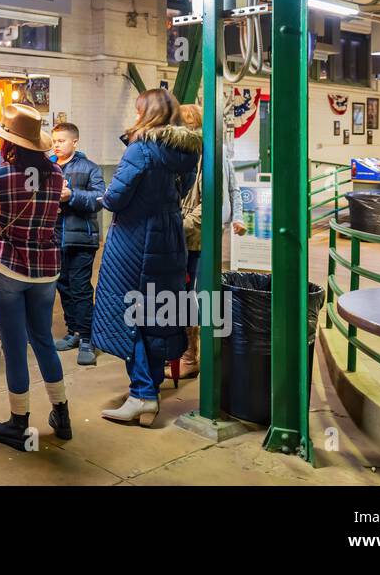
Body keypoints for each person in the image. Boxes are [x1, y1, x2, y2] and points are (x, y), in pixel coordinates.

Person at [93, 88, 201, 427]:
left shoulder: (141, 149)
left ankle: (142, 395)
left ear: (146, 113)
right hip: (169, 238)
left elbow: (115, 199)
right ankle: (149, 389)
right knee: (154, 314)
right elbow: (179, 194)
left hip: (134, 241)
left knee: (132, 316)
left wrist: (102, 195)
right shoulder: (185, 152)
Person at [0, 104, 70, 450]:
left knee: (14, 346)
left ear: (9, 142)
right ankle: (62, 413)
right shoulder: (56, 176)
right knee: (43, 338)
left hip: (6, 267)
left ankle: (19, 422)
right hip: (45, 269)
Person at [172, 103, 246, 380]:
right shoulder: (200, 152)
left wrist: (175, 223)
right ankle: (190, 353)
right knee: (190, 296)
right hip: (195, 233)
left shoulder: (206, 154)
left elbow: (225, 192)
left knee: (197, 297)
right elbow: (231, 190)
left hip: (198, 236)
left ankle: (193, 356)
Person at [48, 122, 105, 366]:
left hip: (82, 239)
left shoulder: (89, 168)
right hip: (54, 238)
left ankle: (87, 339)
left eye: (61, 140)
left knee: (81, 288)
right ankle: (72, 332)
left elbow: (100, 199)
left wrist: (72, 196)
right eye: (54, 141)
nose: (57, 145)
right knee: (64, 287)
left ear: (74, 142)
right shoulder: (47, 167)